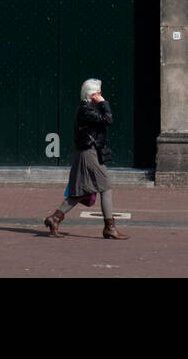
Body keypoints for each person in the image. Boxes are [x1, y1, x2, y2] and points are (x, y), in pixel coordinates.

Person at [44, 79, 129, 239]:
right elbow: (108, 120)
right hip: (89, 153)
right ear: (93, 94)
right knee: (105, 187)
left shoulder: (88, 109)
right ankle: (109, 228)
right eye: (99, 93)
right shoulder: (86, 110)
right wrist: (104, 103)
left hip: (90, 152)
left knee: (82, 191)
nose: (101, 95)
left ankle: (55, 218)